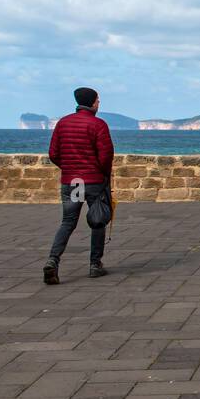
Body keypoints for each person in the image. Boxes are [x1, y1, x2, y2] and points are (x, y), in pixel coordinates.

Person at [43, 87, 114, 284]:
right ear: (92, 102)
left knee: (68, 222)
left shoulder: (63, 123)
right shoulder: (98, 125)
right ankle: (94, 264)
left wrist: (69, 168)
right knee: (97, 220)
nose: (99, 104)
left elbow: (53, 153)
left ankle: (53, 260)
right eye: (98, 101)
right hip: (93, 182)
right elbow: (106, 155)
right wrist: (103, 174)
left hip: (73, 182)